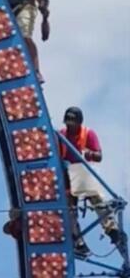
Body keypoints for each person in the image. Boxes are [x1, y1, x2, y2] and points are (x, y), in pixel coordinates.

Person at [58, 107, 126, 257]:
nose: (70, 125)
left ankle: (112, 230)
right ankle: (78, 243)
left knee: (96, 199)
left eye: (73, 122)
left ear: (78, 122)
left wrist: (88, 153)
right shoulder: (61, 135)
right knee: (69, 209)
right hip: (67, 175)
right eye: (68, 122)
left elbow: (99, 156)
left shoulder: (88, 133)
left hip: (82, 172)